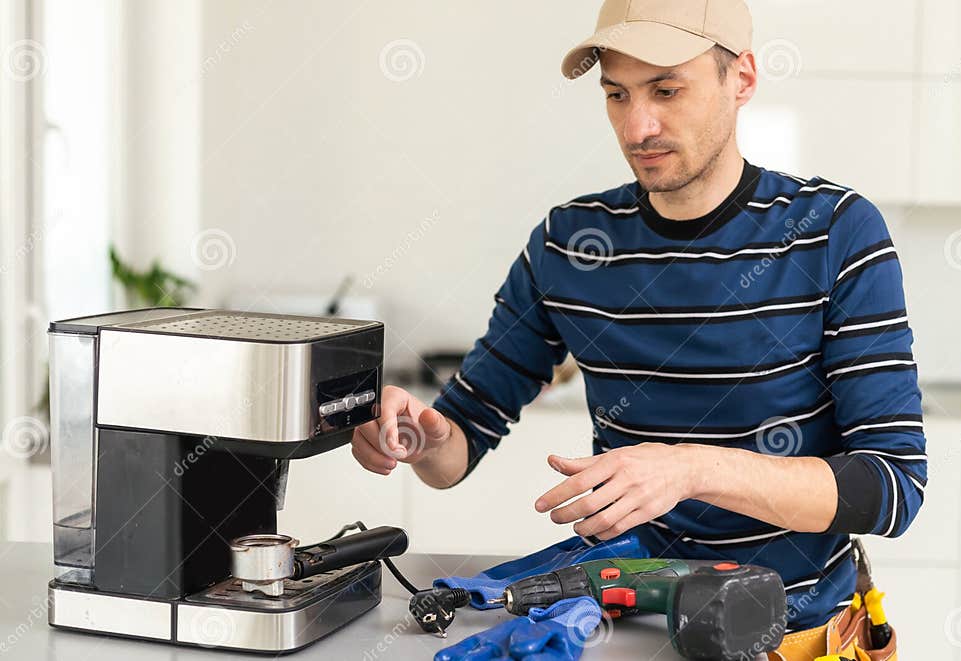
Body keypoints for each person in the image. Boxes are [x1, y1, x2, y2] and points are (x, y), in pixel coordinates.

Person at [350, 0, 923, 654]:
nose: (638, 125)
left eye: (667, 90)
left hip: (791, 638)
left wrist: (690, 469)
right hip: (616, 636)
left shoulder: (835, 232)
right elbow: (461, 438)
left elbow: (893, 486)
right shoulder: (570, 245)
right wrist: (421, 439)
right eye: (617, 94)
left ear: (743, 79)